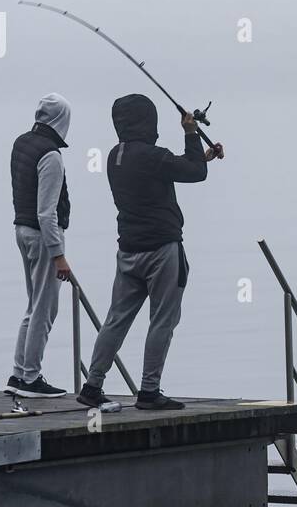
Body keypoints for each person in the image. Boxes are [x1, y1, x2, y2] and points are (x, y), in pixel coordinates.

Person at [77, 94, 222, 411]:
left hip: (128, 251)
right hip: (162, 251)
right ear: (149, 122)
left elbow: (185, 167)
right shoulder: (155, 156)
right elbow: (195, 173)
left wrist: (200, 155)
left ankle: (92, 386)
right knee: (162, 321)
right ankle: (149, 391)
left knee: (115, 320)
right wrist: (190, 132)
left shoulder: (115, 156)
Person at [4, 93, 73, 399]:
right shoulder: (51, 156)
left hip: (21, 229)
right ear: (62, 121)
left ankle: (18, 374)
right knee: (45, 309)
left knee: (33, 306)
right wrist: (59, 255)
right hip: (42, 236)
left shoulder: (22, 142)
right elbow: (48, 212)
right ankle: (31, 378)